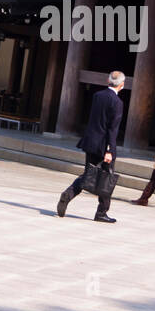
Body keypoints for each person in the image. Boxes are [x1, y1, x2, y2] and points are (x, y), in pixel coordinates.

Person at [56, 70, 125, 223]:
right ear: (122, 84)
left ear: (108, 81)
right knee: (106, 177)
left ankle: (68, 194)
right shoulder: (117, 103)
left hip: (91, 141)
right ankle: (101, 212)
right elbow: (112, 129)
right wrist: (109, 150)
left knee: (89, 174)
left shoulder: (97, 96)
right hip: (103, 146)